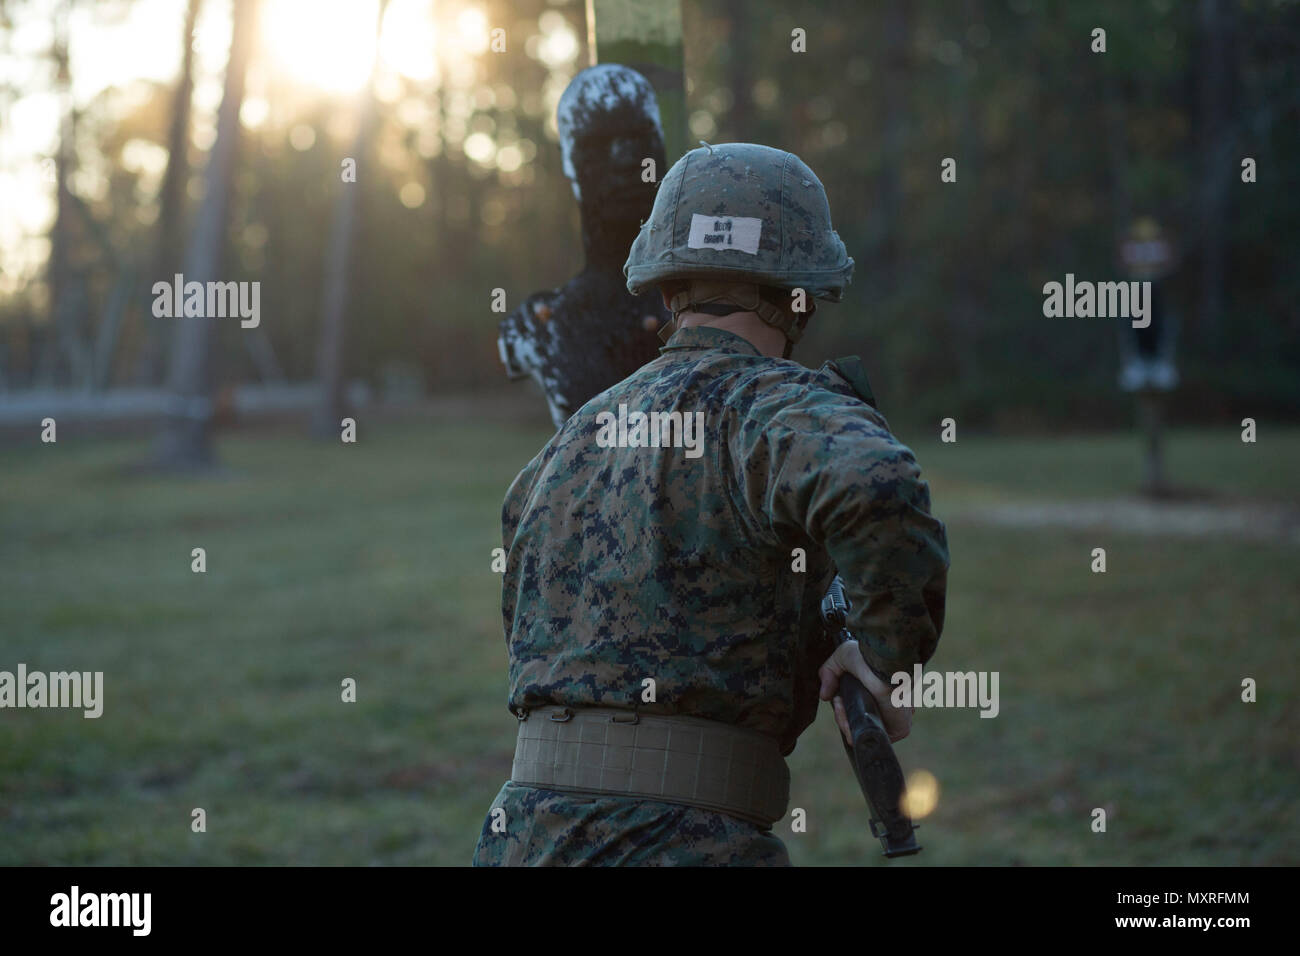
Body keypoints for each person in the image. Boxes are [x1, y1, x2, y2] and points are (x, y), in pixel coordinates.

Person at [474, 143, 949, 866]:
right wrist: (884, 662)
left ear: (667, 289)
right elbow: (878, 488)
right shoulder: (775, 407)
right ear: (803, 293)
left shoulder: (569, 441)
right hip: (681, 845)